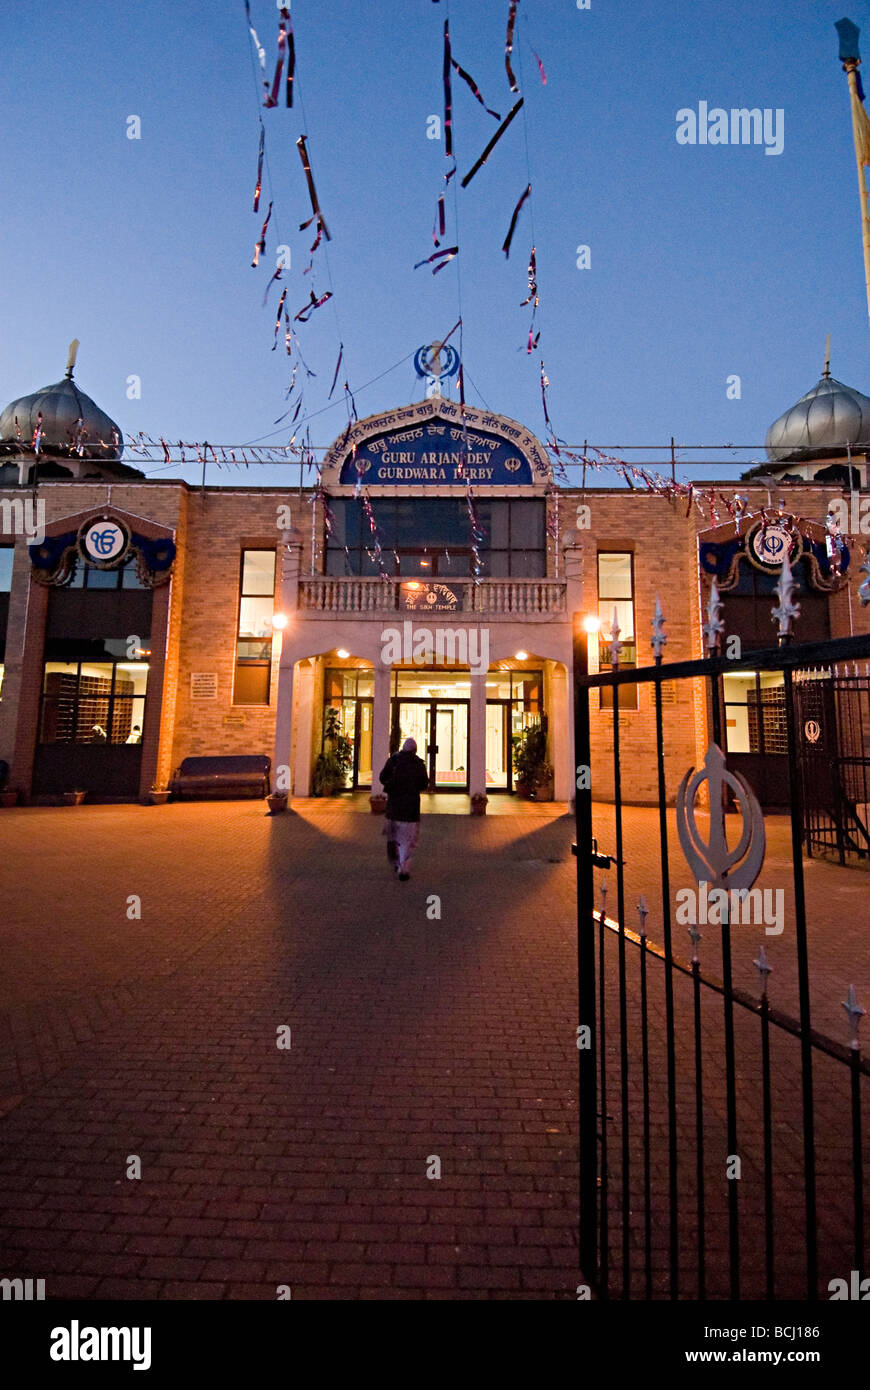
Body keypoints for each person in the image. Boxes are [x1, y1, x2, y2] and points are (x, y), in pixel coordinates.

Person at [379, 737, 429, 881]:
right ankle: (403, 868)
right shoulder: (419, 764)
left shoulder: (393, 760)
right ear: (415, 750)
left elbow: (382, 777)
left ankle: (398, 863)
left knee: (394, 838)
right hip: (410, 809)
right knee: (407, 840)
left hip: (393, 808)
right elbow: (424, 784)